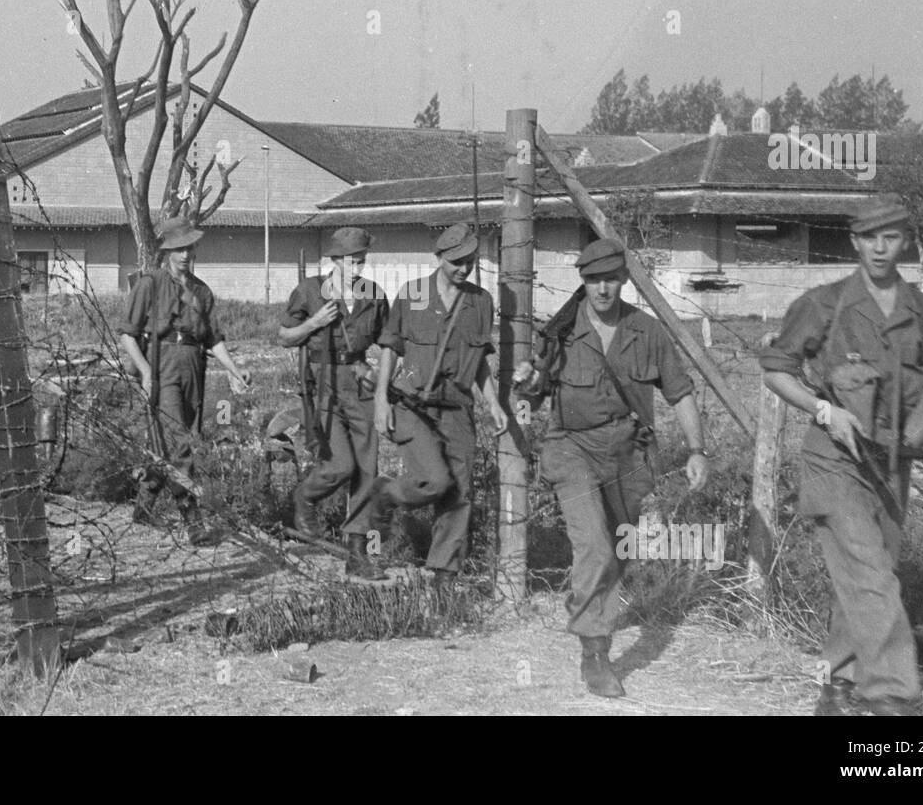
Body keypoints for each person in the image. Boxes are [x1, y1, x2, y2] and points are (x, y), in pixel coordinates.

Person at [760, 195, 923, 717]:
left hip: (893, 468)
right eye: (869, 237)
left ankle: (838, 684)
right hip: (834, 461)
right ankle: (891, 697)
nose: (879, 247)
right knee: (871, 577)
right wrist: (824, 410)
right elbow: (776, 370)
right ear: (854, 242)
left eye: (890, 236)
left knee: (868, 577)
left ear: (906, 241)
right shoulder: (824, 304)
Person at [514, 238, 710, 698]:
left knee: (619, 551)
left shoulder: (647, 331)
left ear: (623, 279)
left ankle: (586, 602)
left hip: (628, 451)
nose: (601, 289)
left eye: (610, 278)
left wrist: (698, 450)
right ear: (582, 282)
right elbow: (531, 398)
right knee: (596, 547)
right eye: (592, 280)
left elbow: (679, 393)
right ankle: (595, 650)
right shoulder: (558, 334)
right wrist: (526, 384)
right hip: (571, 449)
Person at [371, 223, 508, 589]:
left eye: (470, 261)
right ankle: (386, 493)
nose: (463, 268)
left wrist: (492, 403)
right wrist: (381, 399)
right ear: (439, 259)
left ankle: (444, 574)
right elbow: (390, 347)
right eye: (456, 262)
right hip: (413, 405)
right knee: (434, 480)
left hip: (457, 407)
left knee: (459, 491)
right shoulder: (413, 294)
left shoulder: (481, 302)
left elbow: (479, 359)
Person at [119, 216, 251, 546]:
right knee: (178, 443)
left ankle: (144, 505)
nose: (184, 255)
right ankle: (193, 521)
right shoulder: (150, 283)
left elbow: (213, 339)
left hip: (194, 365)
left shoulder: (201, 291)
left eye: (188, 247)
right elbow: (127, 335)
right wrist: (146, 372)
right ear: (166, 252)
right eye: (177, 249)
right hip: (162, 363)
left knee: (172, 440)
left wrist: (235, 370)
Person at [280, 227, 389, 580]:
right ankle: (305, 497)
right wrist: (314, 322)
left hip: (358, 383)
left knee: (367, 467)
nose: (357, 267)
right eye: (351, 260)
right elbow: (284, 337)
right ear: (335, 261)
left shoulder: (374, 294)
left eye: (362, 260)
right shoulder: (310, 291)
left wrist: (377, 374)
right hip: (323, 382)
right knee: (341, 464)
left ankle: (357, 551)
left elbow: (389, 342)